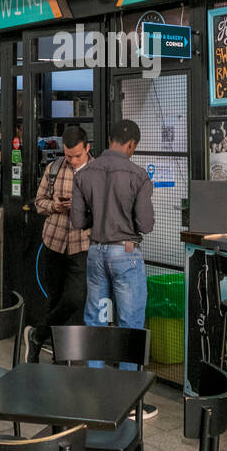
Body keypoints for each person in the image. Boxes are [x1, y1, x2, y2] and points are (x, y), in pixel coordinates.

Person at [71, 120, 155, 392]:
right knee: (130, 325)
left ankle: (95, 388)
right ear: (131, 145)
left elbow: (76, 220)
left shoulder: (83, 174)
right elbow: (145, 225)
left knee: (95, 319)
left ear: (109, 139)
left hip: (95, 251)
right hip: (126, 253)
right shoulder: (138, 175)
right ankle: (128, 393)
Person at [24, 126, 93, 363]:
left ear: (87, 148)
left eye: (77, 156)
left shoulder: (99, 174)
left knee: (75, 298)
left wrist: (80, 207)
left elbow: (105, 210)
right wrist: (56, 206)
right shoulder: (53, 169)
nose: (72, 160)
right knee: (53, 298)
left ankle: (38, 334)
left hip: (82, 244)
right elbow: (38, 203)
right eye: (68, 155)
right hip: (54, 242)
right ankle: (57, 356)